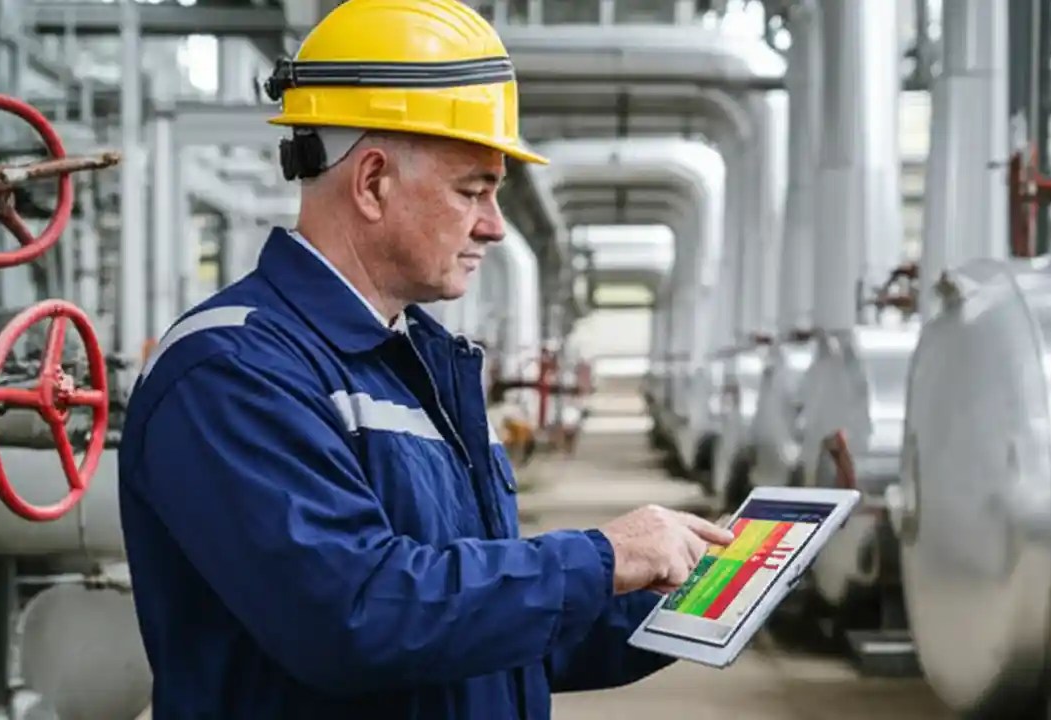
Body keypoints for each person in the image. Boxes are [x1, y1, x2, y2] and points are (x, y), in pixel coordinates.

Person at [115, 0, 734, 717]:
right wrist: (602, 557)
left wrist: (682, 600)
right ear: (373, 182)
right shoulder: (230, 371)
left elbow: (481, 631)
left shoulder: (415, 370)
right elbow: (354, 616)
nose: (494, 226)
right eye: (473, 191)